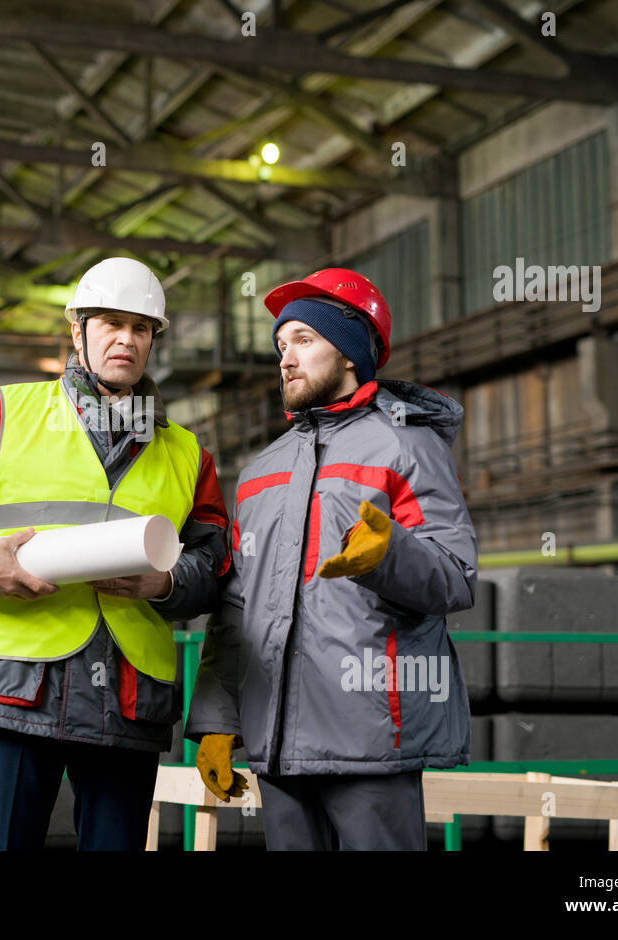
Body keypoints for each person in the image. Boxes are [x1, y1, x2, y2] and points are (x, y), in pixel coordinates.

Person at [0, 256, 229, 851]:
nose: (126, 339)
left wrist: (166, 586)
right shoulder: (3, 413)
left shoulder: (188, 453)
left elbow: (216, 564)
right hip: (16, 689)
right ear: (77, 331)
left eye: (141, 328)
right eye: (110, 323)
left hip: (129, 700)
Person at [186, 267, 476, 850]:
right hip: (278, 743)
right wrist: (218, 720)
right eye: (280, 345)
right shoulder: (261, 471)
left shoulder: (408, 445)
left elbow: (456, 577)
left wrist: (390, 554)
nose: (285, 358)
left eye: (303, 340)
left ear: (349, 355)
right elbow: (237, 604)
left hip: (370, 735)